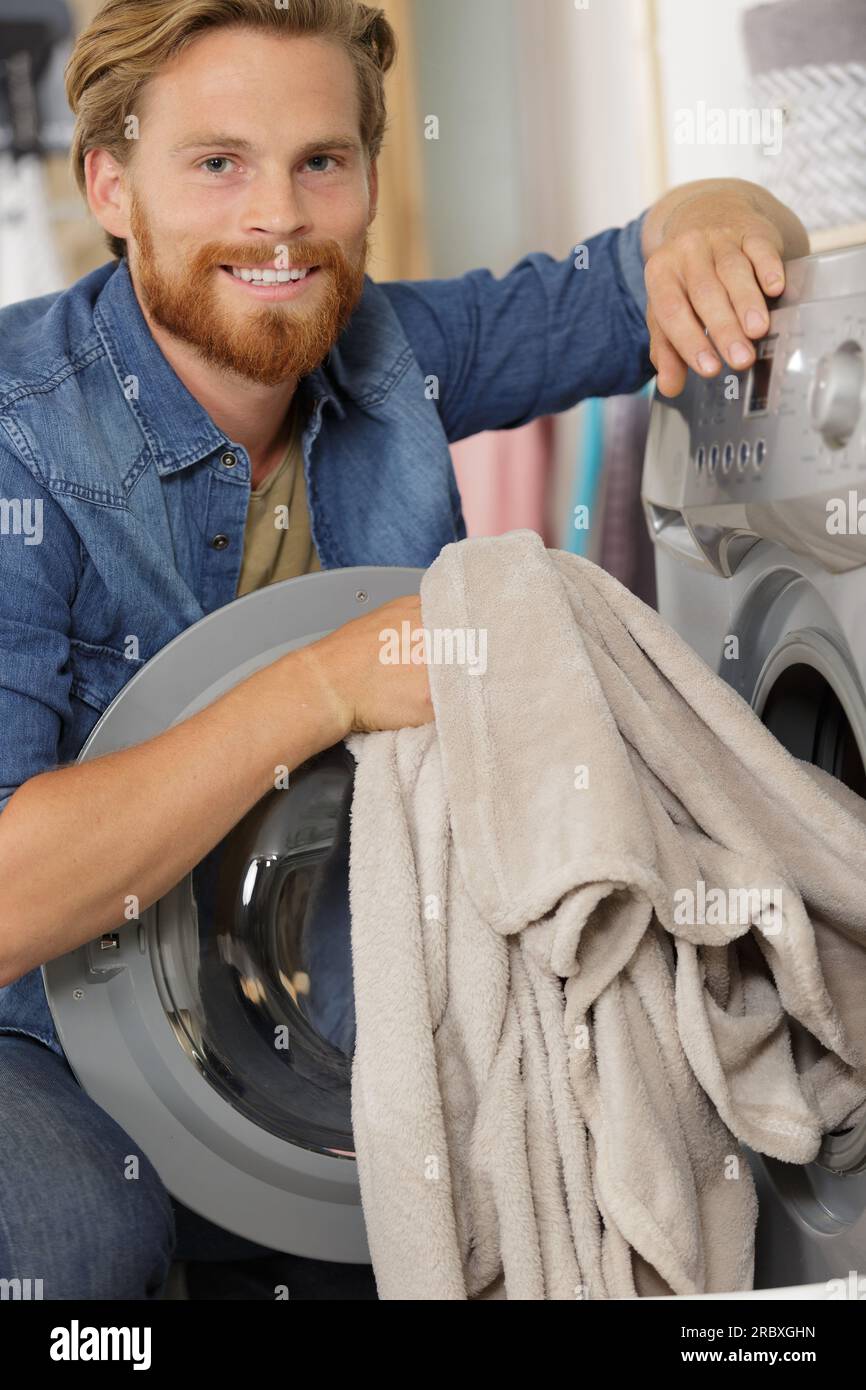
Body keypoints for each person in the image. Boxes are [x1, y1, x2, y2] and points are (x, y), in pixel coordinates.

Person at [0, 0, 810, 1300]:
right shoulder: (19, 437)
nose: (278, 217)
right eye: (218, 164)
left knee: (534, 1178)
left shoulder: (391, 349)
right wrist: (326, 683)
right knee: (77, 1241)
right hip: (37, 1031)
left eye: (320, 161)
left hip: (323, 989)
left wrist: (727, 218)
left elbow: (637, 267)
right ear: (111, 184)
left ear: (370, 177)